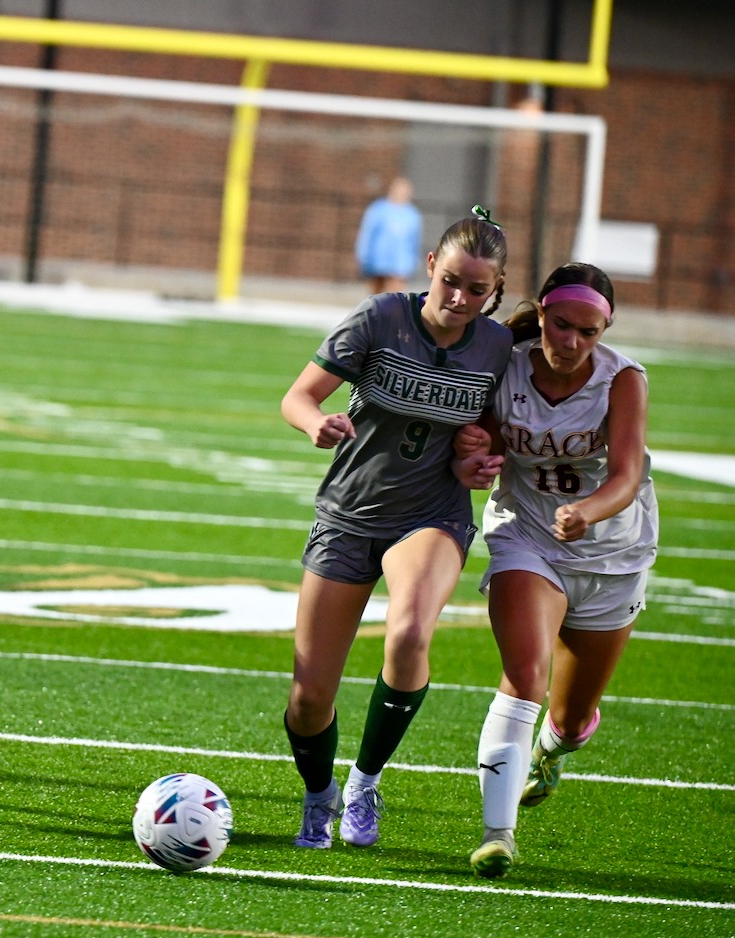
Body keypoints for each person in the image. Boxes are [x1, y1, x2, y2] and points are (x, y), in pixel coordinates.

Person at [279, 207, 512, 849]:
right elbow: (298, 396)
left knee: (409, 634)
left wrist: (477, 460)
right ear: (430, 265)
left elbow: (490, 433)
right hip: (349, 512)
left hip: (431, 515)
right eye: (450, 281)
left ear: (496, 290)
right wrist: (315, 423)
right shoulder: (379, 317)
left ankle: (364, 784)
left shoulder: (496, 347)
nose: (459, 299)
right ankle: (319, 795)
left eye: (477, 290)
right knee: (309, 697)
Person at [453, 263, 656, 879]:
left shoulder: (623, 379)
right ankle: (498, 834)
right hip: (527, 536)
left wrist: (588, 512)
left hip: (612, 553)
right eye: (561, 325)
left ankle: (554, 747)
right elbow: (485, 445)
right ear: (540, 312)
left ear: (605, 331)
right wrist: (474, 456)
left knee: (568, 718)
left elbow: (626, 475)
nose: (571, 342)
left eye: (587, 332)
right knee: (524, 675)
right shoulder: (506, 364)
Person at [356, 176, 424, 295]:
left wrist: (414, 259)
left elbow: (414, 240)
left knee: (395, 293)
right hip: (378, 258)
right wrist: (363, 255)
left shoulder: (412, 214)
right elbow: (367, 233)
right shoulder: (378, 209)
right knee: (376, 293)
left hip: (400, 261)